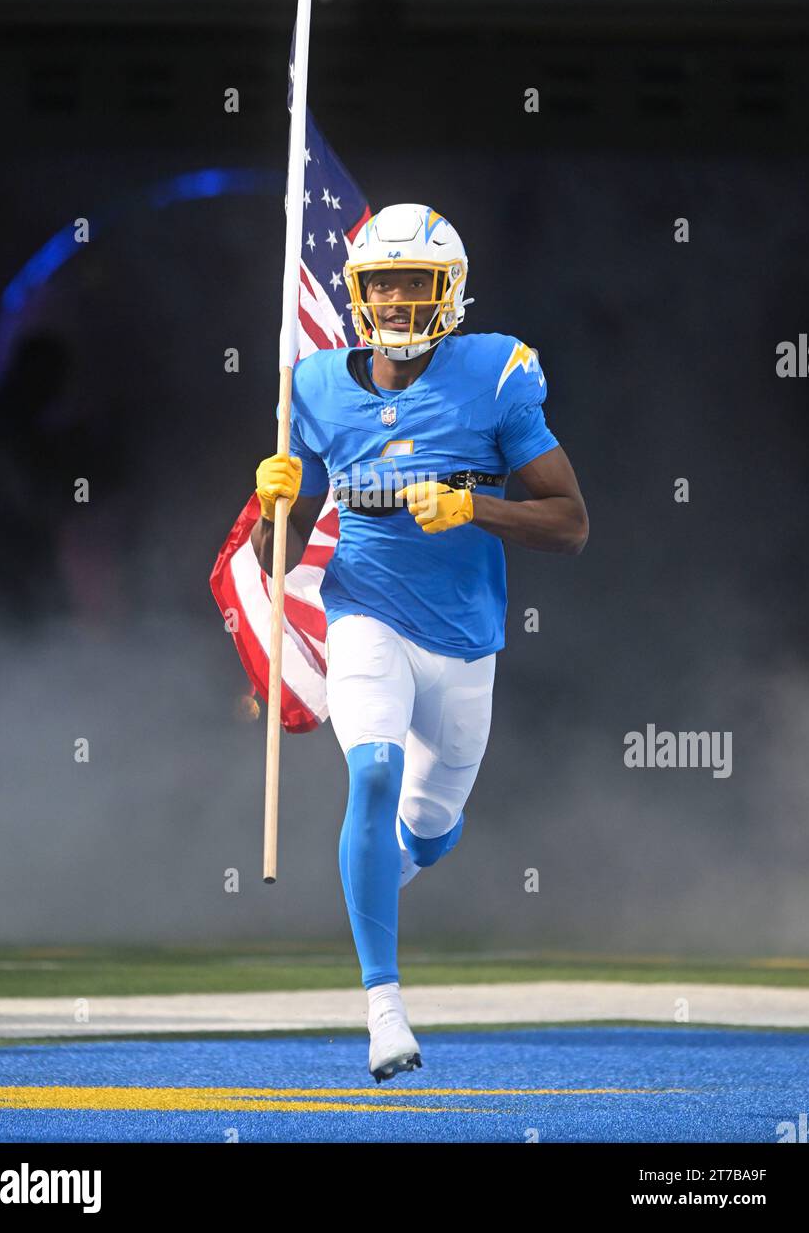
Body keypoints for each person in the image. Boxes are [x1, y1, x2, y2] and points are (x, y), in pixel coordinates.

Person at [251, 203, 588, 1081]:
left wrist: (473, 503)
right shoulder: (320, 386)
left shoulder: (494, 374)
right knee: (370, 770)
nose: (396, 303)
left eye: (414, 283)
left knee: (430, 832)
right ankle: (384, 1009)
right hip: (365, 611)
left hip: (466, 640)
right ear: (357, 293)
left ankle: (383, 872)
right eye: (381, 285)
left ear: (450, 291)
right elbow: (277, 557)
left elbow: (572, 523)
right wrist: (273, 505)